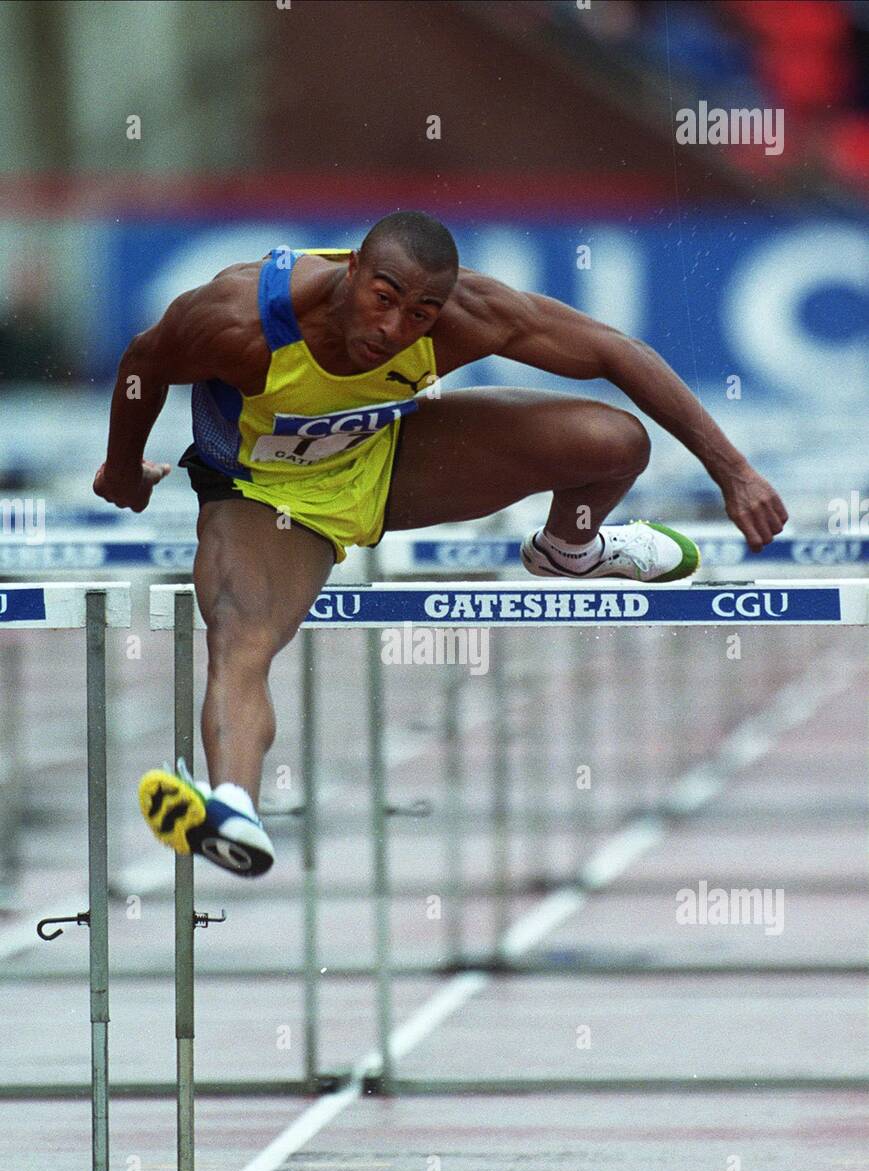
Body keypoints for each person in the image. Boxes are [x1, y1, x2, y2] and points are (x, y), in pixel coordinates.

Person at [93, 210, 787, 877]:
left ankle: (568, 550)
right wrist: (123, 468)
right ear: (353, 269)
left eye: (420, 315)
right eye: (382, 299)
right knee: (242, 638)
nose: (393, 329)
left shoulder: (469, 314)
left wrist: (733, 471)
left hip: (386, 458)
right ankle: (233, 808)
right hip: (264, 493)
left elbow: (615, 351)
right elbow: (141, 363)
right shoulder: (240, 319)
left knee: (613, 442)